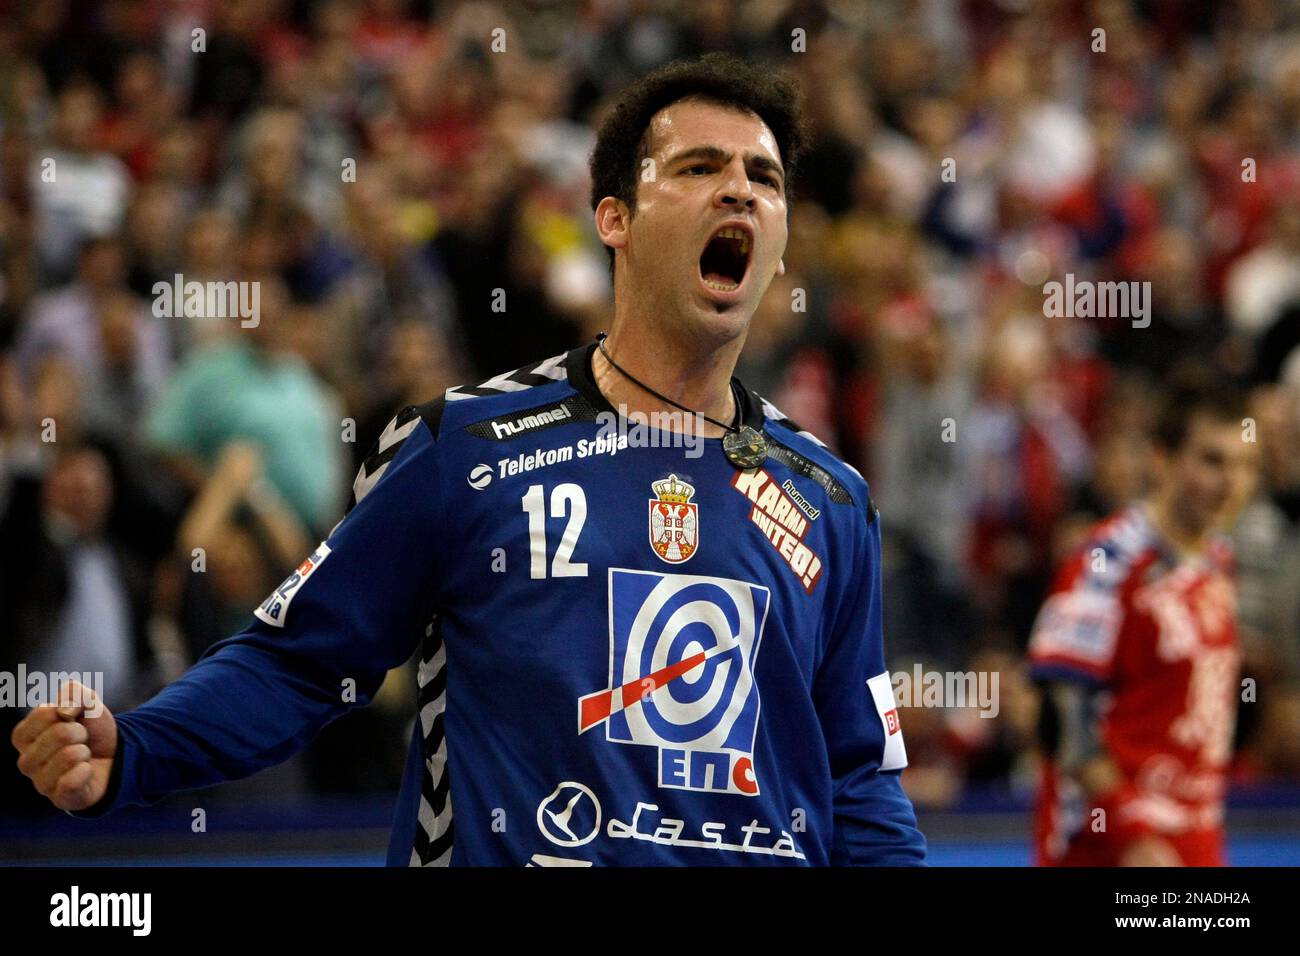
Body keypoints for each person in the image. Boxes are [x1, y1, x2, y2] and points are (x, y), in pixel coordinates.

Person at [12, 53, 926, 867]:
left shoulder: (829, 498)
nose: (740, 192)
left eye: (764, 179)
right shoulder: (470, 448)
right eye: (699, 168)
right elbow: (301, 661)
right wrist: (137, 749)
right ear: (614, 216)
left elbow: (859, 777)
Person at [1027, 379, 1259, 866]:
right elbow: (1061, 714)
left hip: (1194, 845)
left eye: (1244, 465)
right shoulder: (1108, 561)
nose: (1230, 483)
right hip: (1107, 850)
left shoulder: (1219, 562)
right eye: (1212, 461)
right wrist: (1133, 832)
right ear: (1162, 458)